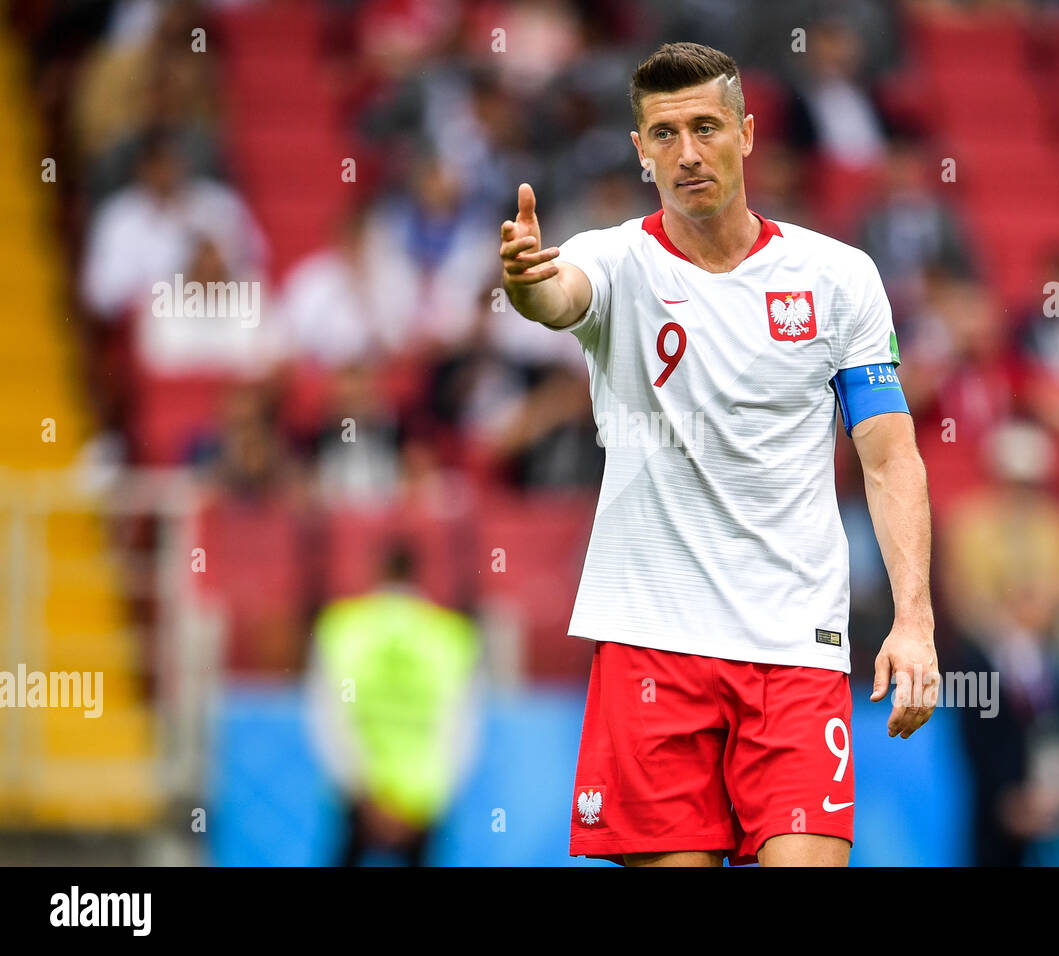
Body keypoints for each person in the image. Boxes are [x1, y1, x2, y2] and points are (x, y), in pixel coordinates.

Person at [498, 42, 937, 867]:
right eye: (664, 134)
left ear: (747, 132)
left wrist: (914, 621)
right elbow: (556, 296)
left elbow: (889, 454)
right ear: (640, 149)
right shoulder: (615, 260)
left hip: (794, 649)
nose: (687, 152)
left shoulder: (838, 277)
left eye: (706, 127)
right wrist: (526, 279)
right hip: (651, 644)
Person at [305, 542, 481, 866]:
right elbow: (460, 729)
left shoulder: (343, 630)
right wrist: (425, 802)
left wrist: (364, 795)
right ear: (418, 574)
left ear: (375, 571)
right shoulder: (449, 636)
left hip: (359, 802)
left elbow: (329, 719)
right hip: (423, 806)